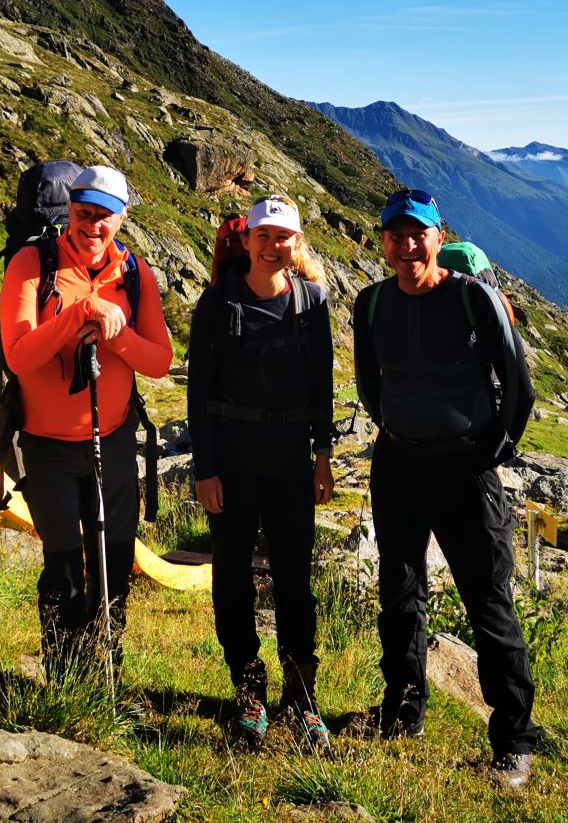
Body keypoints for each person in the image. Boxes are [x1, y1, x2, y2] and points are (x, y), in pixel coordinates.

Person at [352, 188, 539, 789]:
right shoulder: (371, 304)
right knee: (400, 594)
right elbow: (368, 384)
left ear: (438, 237)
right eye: (395, 235)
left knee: (489, 603)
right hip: (399, 467)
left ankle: (514, 743)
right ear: (383, 242)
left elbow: (519, 387)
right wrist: (401, 430)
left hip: (466, 471)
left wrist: (493, 450)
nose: (406, 245)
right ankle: (403, 713)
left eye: (418, 234)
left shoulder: (472, 299)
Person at [0, 165, 173, 678]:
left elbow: (159, 361)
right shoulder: (33, 264)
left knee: (115, 557)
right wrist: (80, 314)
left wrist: (115, 335)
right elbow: (19, 355)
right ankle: (66, 673)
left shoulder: (135, 274)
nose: (92, 225)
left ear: (121, 219)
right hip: (49, 443)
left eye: (104, 216)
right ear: (69, 208)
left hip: (113, 437)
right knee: (62, 563)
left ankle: (107, 660)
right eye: (83, 212)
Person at [188, 194, 335, 748]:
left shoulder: (312, 302)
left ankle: (301, 696)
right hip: (231, 463)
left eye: (284, 238)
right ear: (246, 240)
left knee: (296, 582)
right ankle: (248, 690)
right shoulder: (217, 303)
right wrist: (205, 469)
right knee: (232, 580)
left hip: (292, 464)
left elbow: (321, 385)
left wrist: (323, 457)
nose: (273, 247)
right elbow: (198, 394)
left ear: (297, 245)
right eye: (264, 237)